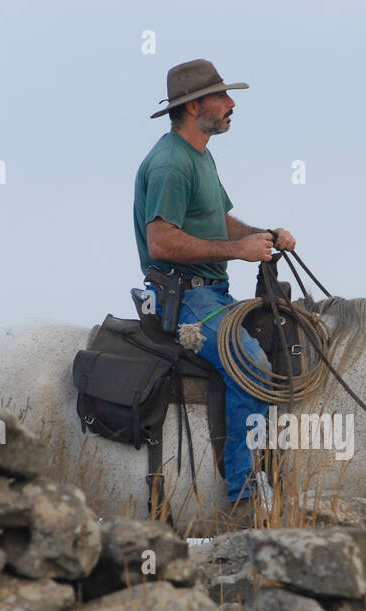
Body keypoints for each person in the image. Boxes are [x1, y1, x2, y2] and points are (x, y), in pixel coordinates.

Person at [134, 58, 295, 519]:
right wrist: (238, 250)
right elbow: (161, 240)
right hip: (186, 297)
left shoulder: (199, 155)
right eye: (222, 96)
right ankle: (243, 500)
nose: (231, 104)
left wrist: (259, 236)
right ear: (192, 106)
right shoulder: (169, 164)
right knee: (250, 362)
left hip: (212, 292)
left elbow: (219, 221)